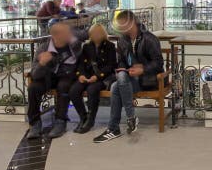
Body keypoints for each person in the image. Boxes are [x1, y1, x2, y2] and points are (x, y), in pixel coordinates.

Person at [94, 10, 164, 143]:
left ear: (131, 23)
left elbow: (159, 63)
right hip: (129, 79)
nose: (119, 28)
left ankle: (115, 128)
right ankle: (128, 119)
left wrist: (142, 69)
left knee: (116, 86)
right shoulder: (122, 40)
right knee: (120, 78)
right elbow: (121, 60)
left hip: (148, 80)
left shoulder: (149, 39)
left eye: (121, 25)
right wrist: (123, 68)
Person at [27, 22, 83, 139]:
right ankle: (35, 123)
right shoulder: (44, 48)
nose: (70, 35)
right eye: (66, 33)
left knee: (64, 86)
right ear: (56, 36)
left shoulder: (74, 45)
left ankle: (60, 121)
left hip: (67, 77)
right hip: (47, 77)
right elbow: (34, 74)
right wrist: (42, 63)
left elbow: (85, 35)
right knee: (33, 88)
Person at [69, 24, 117, 134]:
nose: (95, 35)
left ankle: (90, 120)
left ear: (102, 34)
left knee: (92, 90)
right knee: (74, 91)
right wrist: (81, 75)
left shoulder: (109, 46)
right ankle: (83, 117)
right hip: (87, 76)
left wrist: (98, 76)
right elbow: (81, 63)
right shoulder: (86, 46)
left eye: (98, 33)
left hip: (102, 78)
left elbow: (111, 66)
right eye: (93, 33)